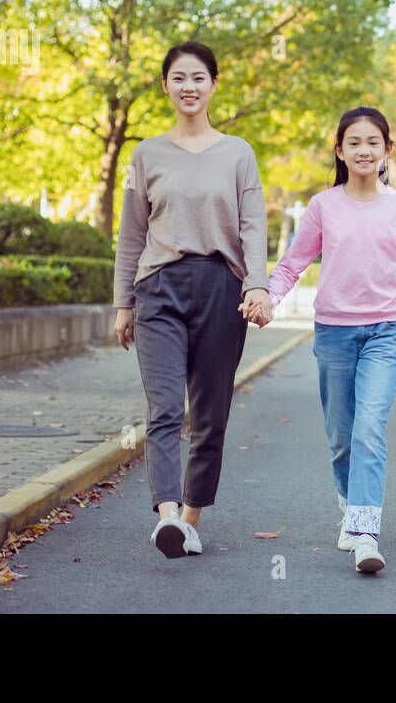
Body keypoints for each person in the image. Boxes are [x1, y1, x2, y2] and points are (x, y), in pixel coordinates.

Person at [256, 106, 396, 573]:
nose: (363, 150)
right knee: (341, 438)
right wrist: (270, 298)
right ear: (340, 150)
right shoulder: (323, 206)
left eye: (373, 142)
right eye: (353, 142)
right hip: (333, 335)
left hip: (383, 335)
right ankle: (349, 503)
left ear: (387, 151)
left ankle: (365, 533)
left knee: (369, 431)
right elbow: (293, 263)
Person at [113, 41, 271, 559]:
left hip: (221, 290)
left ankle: (191, 518)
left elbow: (252, 226)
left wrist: (256, 284)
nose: (188, 86)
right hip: (157, 288)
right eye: (178, 77)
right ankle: (167, 515)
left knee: (210, 417)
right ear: (165, 85)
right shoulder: (146, 154)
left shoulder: (238, 152)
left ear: (213, 85)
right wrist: (123, 303)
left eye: (198, 77)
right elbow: (131, 235)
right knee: (163, 409)